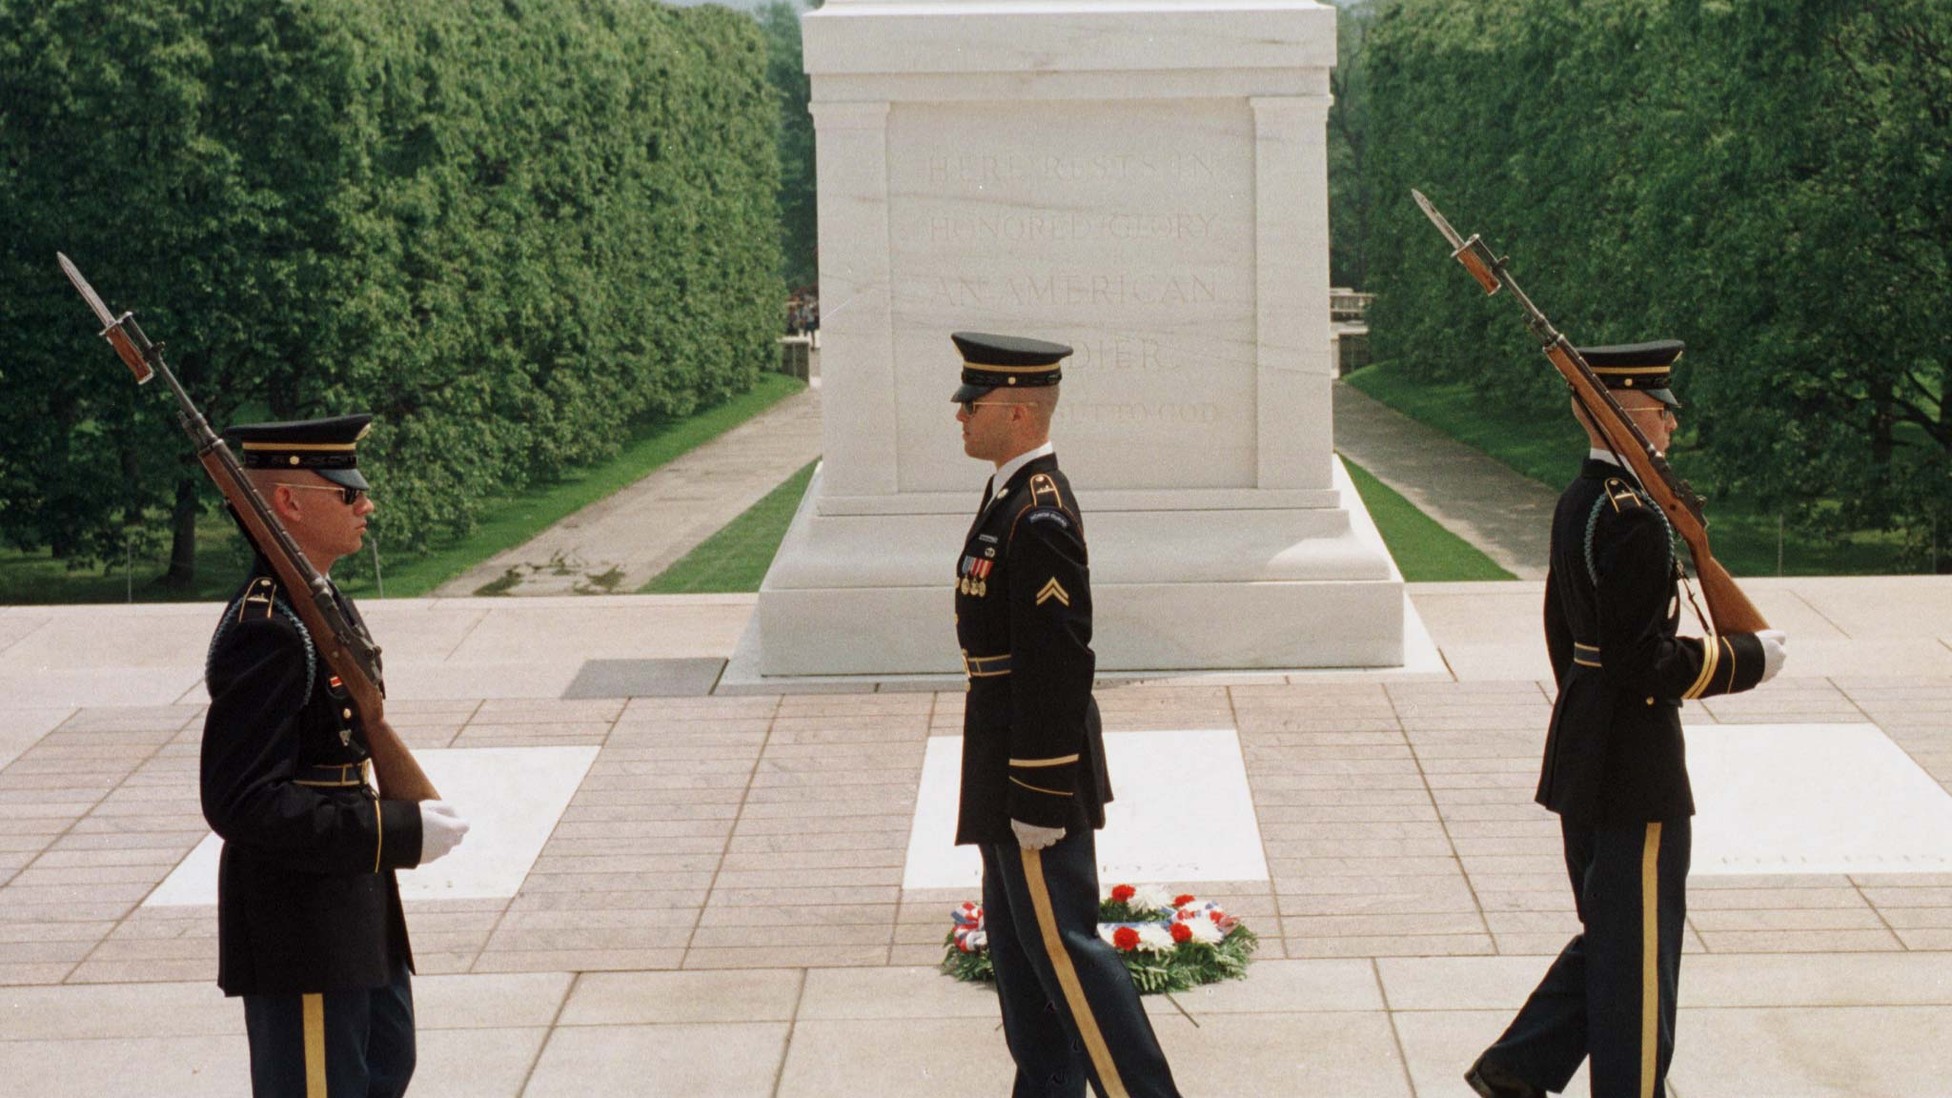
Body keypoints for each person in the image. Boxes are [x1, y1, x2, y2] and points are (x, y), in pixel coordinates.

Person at [1465, 342, 1788, 1098]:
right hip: (1636, 766)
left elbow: (1564, 632)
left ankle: (1519, 1064)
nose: (1672, 422)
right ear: (1630, 415)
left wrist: (1590, 705)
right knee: (1641, 957)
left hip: (1586, 751)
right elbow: (1645, 663)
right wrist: (1747, 659)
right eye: (1661, 409)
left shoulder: (1581, 500)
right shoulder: (1636, 520)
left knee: (1616, 936)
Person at [200, 414, 470, 1097]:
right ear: (288, 501)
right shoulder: (269, 630)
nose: (367, 504)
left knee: (385, 1067)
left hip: (352, 910)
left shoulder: (317, 603)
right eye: (348, 493)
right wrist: (396, 830)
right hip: (303, 931)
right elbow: (242, 802)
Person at [949, 332, 1182, 1098]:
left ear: (1017, 411)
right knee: (1024, 973)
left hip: (1030, 771)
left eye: (972, 404)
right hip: (1000, 760)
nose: (959, 417)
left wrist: (1042, 795)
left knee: (1069, 960)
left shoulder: (1037, 514)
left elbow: (1058, 665)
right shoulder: (1007, 498)